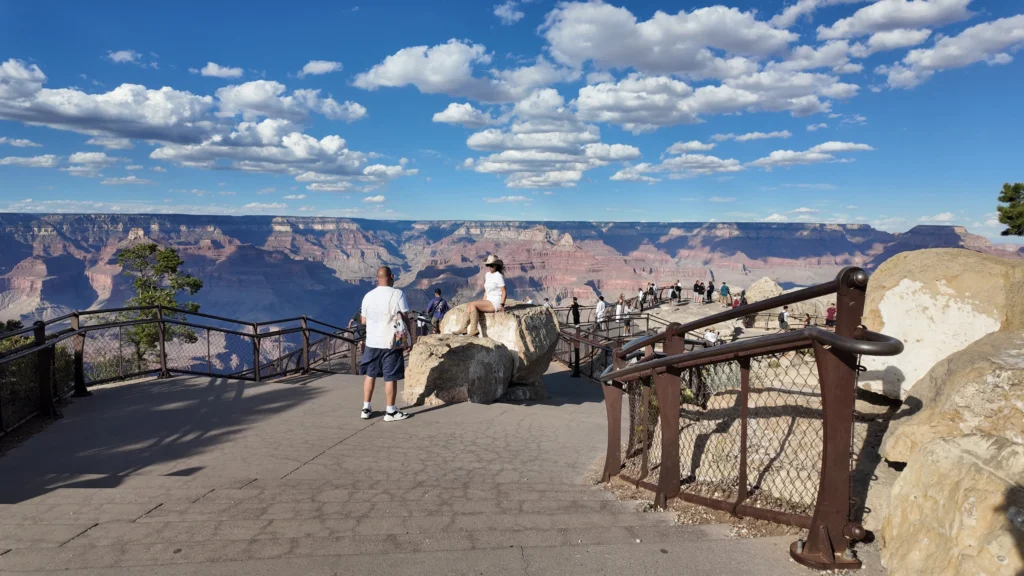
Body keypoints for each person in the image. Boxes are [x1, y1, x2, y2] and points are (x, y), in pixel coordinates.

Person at [359, 266, 414, 422]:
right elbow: (404, 317)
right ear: (391, 276)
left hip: (372, 342)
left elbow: (363, 320)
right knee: (390, 378)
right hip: (390, 343)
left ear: (377, 278)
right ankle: (390, 412)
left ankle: (366, 407)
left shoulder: (368, 296)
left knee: (370, 375)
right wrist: (408, 340)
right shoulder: (397, 294)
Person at [453, 254, 507, 337]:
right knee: (469, 305)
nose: (489, 267)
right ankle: (463, 328)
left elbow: (504, 292)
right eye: (488, 265)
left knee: (473, 304)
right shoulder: (487, 275)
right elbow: (486, 291)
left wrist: (502, 304)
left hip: (495, 302)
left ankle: (474, 329)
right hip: (488, 300)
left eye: (491, 265)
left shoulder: (498, 276)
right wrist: (483, 301)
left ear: (496, 265)